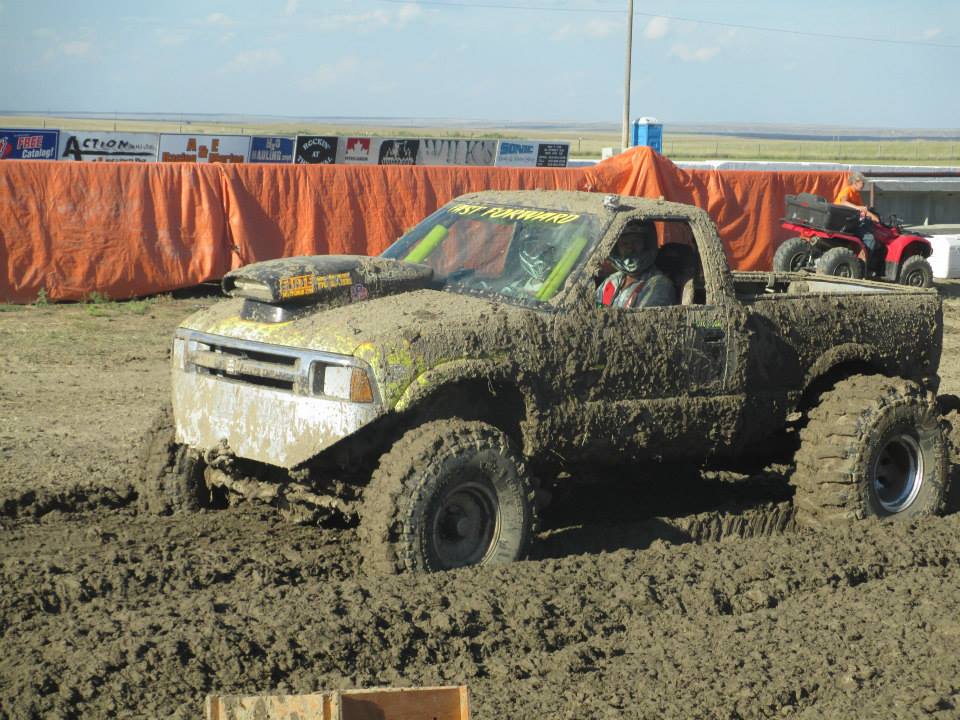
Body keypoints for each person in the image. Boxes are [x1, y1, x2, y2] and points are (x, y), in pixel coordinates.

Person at [596, 222, 676, 308]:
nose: (630, 248)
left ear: (646, 245)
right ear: (617, 249)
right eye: (624, 244)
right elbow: (599, 309)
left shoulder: (659, 284)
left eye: (636, 242)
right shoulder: (612, 282)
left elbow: (641, 319)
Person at [834, 171, 882, 270]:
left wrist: (874, 217)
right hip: (843, 222)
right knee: (870, 238)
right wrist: (858, 208)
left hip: (851, 221)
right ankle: (862, 265)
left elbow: (863, 210)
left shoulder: (856, 194)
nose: (863, 185)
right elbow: (843, 203)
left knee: (869, 225)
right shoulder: (847, 190)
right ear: (855, 182)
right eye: (862, 183)